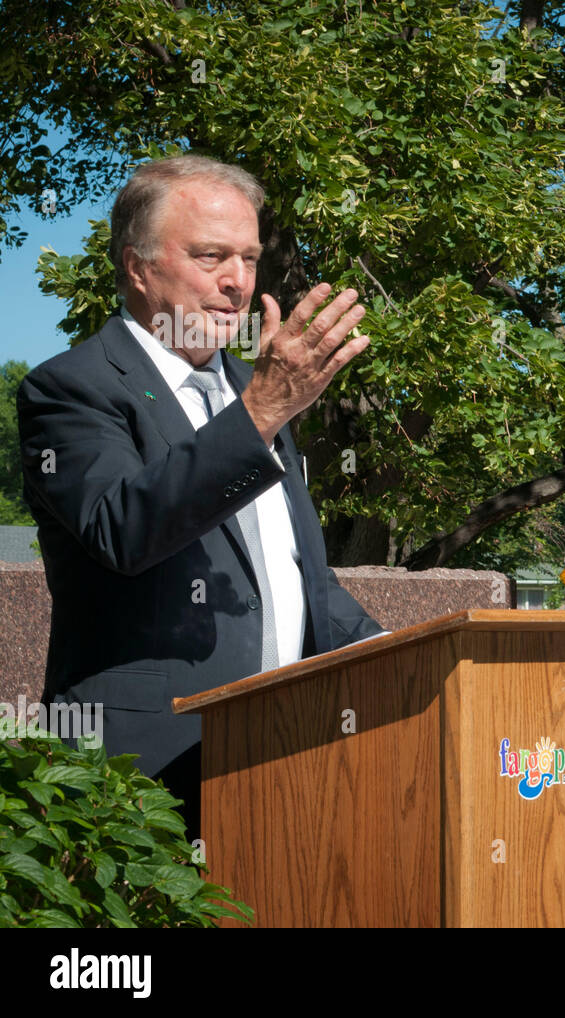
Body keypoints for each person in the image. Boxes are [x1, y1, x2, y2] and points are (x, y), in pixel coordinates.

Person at [18, 155, 383, 837]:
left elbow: (297, 579)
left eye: (248, 258)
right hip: (142, 777)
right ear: (137, 267)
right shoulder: (72, 390)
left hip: (285, 762)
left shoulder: (260, 390)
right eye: (211, 255)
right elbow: (122, 528)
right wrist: (261, 413)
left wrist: (413, 659)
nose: (237, 282)